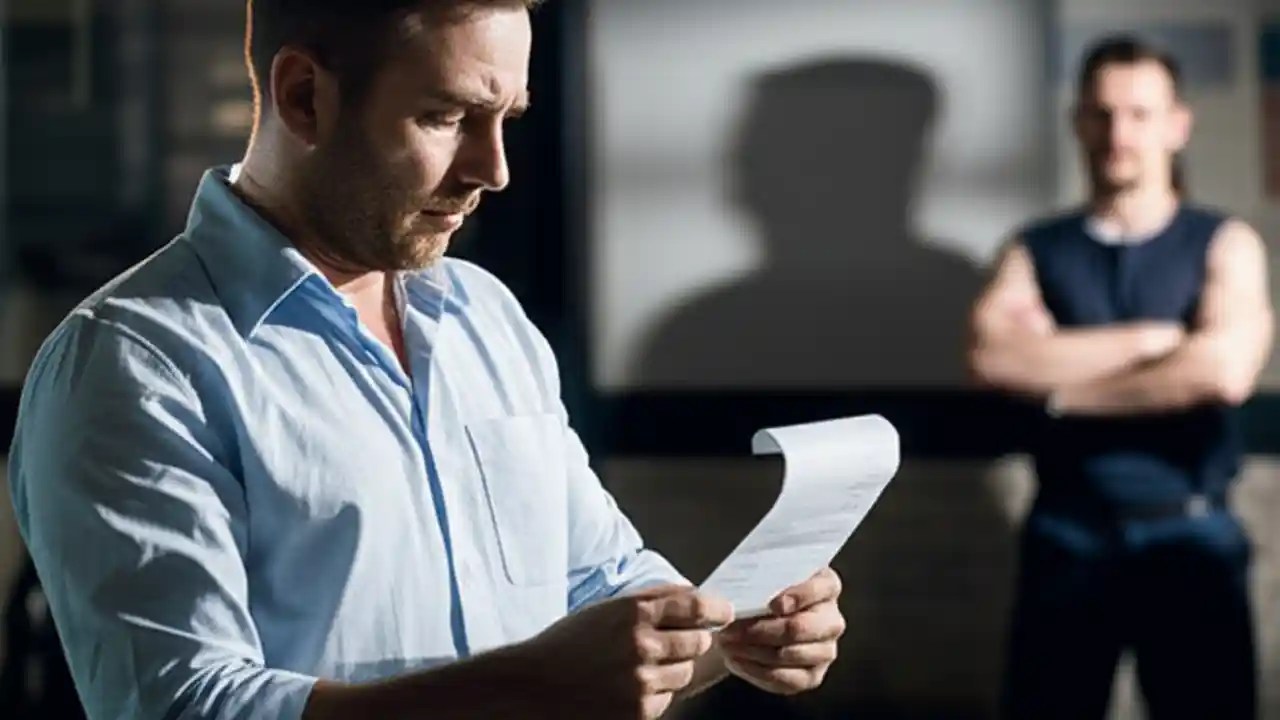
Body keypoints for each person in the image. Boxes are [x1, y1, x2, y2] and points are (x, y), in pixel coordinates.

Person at [7, 2, 847, 718]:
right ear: (304, 97)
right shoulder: (134, 363)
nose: (495, 170)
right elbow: (189, 705)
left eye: (507, 120)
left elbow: (603, 581)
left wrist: (732, 633)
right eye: (448, 117)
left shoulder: (484, 317)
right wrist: (528, 688)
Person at [968, 36, 1273, 719]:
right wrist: (1156, 342)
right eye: (1101, 113)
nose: (1118, 133)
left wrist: (1061, 391)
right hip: (1066, 535)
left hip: (1191, 535)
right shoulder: (1034, 248)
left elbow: (1222, 372)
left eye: (1139, 113)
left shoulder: (1224, 243)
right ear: (1078, 121)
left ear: (1177, 125)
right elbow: (992, 357)